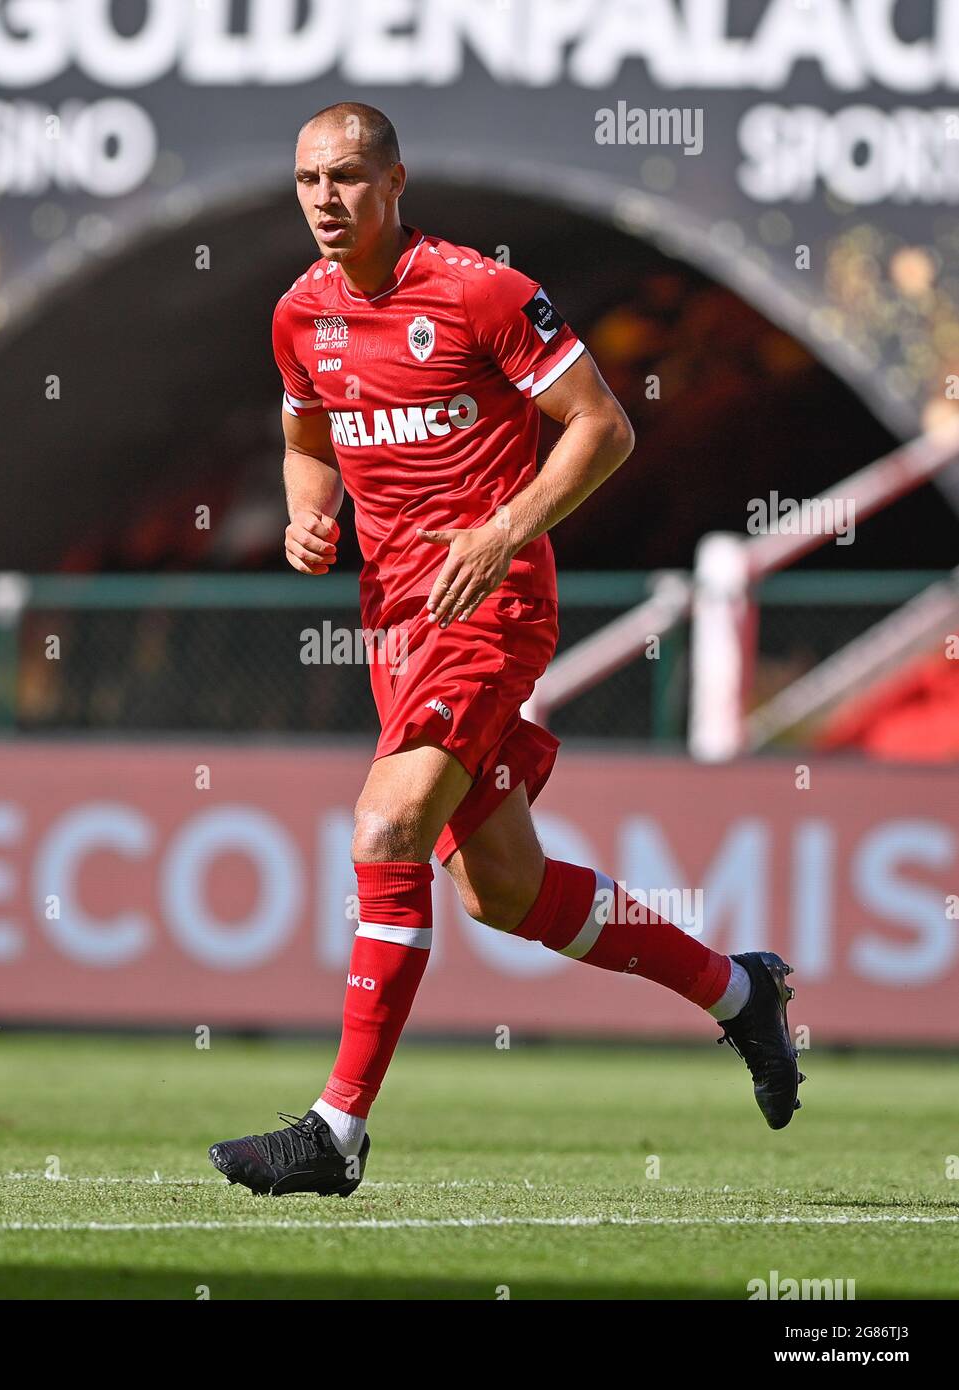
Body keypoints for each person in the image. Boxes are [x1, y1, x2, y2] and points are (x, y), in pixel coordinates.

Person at [209, 103, 802, 1198]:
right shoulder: (300, 314)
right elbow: (307, 434)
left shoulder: (479, 291)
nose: (324, 201)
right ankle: (740, 993)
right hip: (394, 624)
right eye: (306, 181)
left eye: (346, 178)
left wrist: (500, 530)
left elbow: (604, 426)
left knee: (386, 824)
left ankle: (335, 1131)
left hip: (490, 605)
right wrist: (308, 511)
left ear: (395, 182)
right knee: (508, 894)